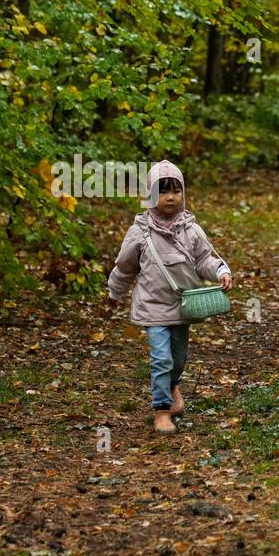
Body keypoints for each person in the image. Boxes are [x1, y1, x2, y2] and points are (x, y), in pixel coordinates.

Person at [104, 159, 233, 434]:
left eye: (176, 190)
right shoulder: (140, 232)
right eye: (162, 191)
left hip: (182, 307)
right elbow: (125, 267)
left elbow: (203, 260)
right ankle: (161, 410)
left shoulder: (191, 230)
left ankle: (173, 385)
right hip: (153, 307)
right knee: (161, 358)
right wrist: (114, 292)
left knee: (178, 357)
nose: (170, 197)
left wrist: (220, 270)